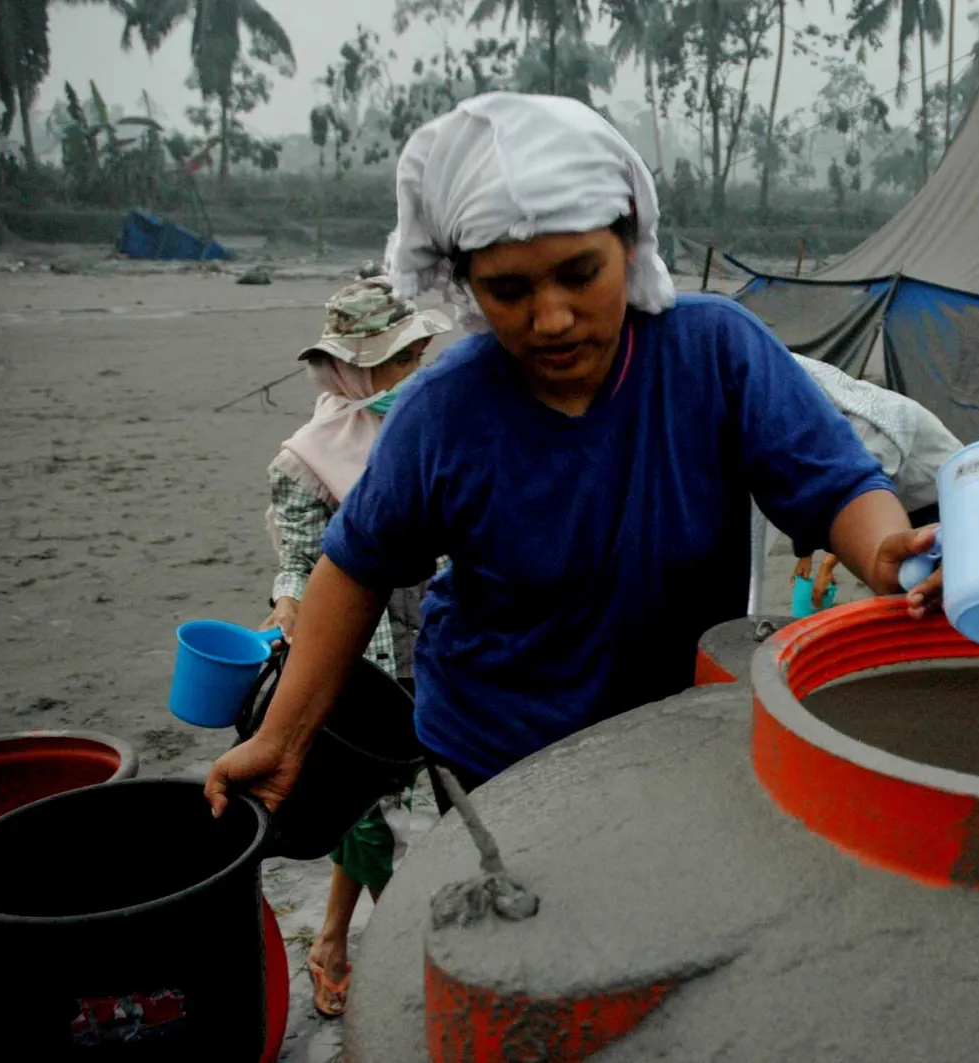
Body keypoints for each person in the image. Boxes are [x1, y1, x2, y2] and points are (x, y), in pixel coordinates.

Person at [206, 93, 940, 819]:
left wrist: (883, 552)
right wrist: (283, 738)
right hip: (495, 758)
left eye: (580, 273)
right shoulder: (443, 413)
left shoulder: (716, 354)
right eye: (508, 289)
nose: (551, 318)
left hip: (671, 736)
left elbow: (837, 486)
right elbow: (355, 567)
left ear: (630, 241)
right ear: (466, 286)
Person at [262, 277, 450, 1017]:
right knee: (372, 808)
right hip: (356, 652)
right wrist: (287, 599)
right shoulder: (307, 460)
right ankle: (400, 950)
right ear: (350, 370)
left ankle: (334, 940)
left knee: (398, 792)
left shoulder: (425, 428)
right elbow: (301, 564)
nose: (414, 371)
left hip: (432, 634)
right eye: (396, 360)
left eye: (415, 353)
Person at [787, 354, 963, 610]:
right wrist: (805, 554)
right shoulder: (828, 419)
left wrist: (826, 567)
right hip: (904, 503)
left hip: (943, 505)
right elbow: (818, 482)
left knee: (923, 591)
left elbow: (857, 497)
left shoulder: (871, 425)